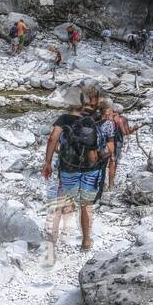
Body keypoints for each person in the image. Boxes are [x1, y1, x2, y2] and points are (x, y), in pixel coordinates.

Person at [42, 99, 113, 251]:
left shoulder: (64, 119)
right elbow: (101, 147)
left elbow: (52, 139)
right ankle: (86, 241)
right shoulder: (92, 121)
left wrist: (48, 162)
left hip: (69, 168)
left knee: (62, 201)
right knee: (86, 206)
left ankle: (52, 241)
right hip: (90, 169)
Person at [102, 103, 139, 191]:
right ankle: (111, 184)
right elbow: (126, 132)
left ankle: (102, 184)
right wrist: (134, 128)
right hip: (117, 143)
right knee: (113, 162)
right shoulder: (123, 119)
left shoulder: (105, 119)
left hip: (105, 142)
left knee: (103, 163)